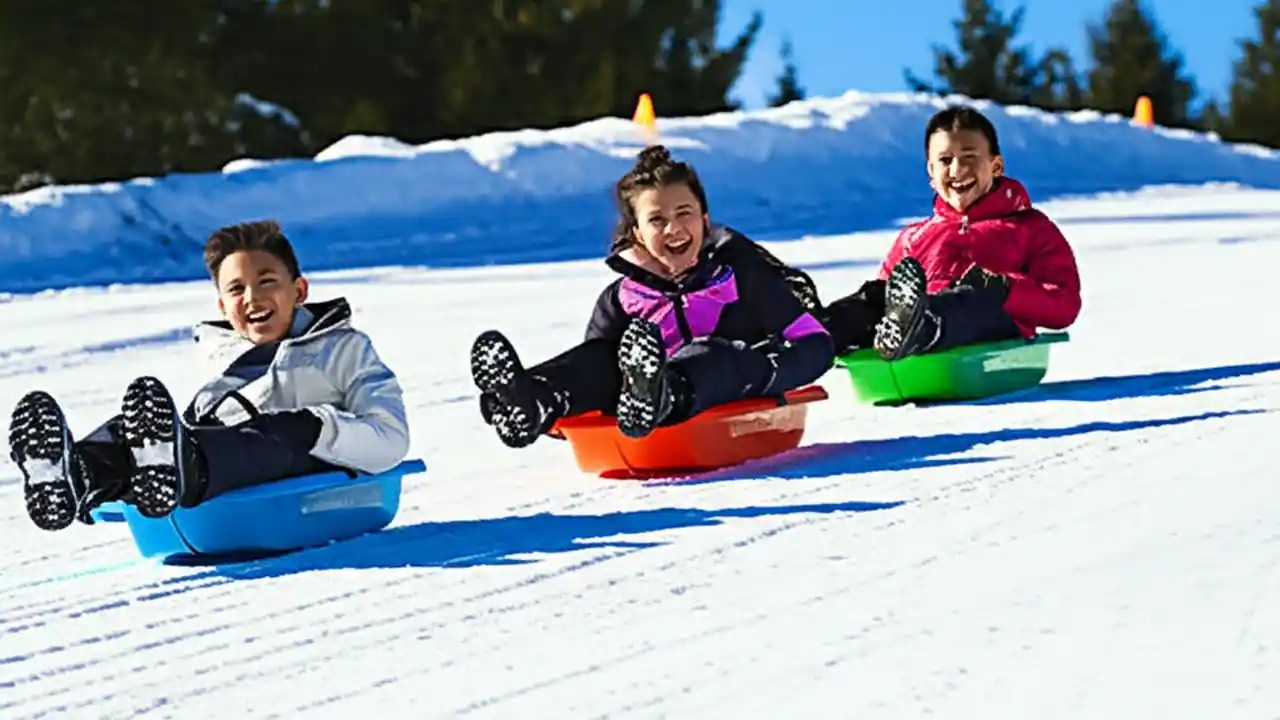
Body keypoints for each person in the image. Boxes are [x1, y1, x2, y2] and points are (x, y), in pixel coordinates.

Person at [8, 220, 410, 532]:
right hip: (224, 475)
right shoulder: (223, 355)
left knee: (275, 435)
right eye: (236, 289)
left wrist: (315, 426)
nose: (252, 298)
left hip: (314, 474)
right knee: (139, 432)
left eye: (267, 282)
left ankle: (185, 465)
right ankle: (77, 473)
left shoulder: (344, 349)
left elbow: (391, 440)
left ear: (299, 291)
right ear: (222, 307)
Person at [470, 145, 834, 448]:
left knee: (714, 355)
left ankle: (664, 394)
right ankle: (535, 401)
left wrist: (768, 368)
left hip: (728, 388)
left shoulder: (742, 278)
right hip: (639, 428)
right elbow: (597, 371)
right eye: (656, 220)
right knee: (601, 356)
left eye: (684, 213)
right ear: (638, 234)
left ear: (704, 220)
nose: (673, 228)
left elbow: (816, 342)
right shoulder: (622, 299)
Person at [817, 105, 1082, 361]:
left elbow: (1064, 305)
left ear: (996, 166)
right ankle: (815, 336)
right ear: (931, 172)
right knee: (876, 296)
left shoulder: (1030, 228)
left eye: (969, 157)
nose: (957, 170)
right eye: (945, 161)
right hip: (910, 339)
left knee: (975, 298)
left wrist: (1005, 288)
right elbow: (894, 298)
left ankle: (923, 328)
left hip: (988, 332)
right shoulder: (914, 237)